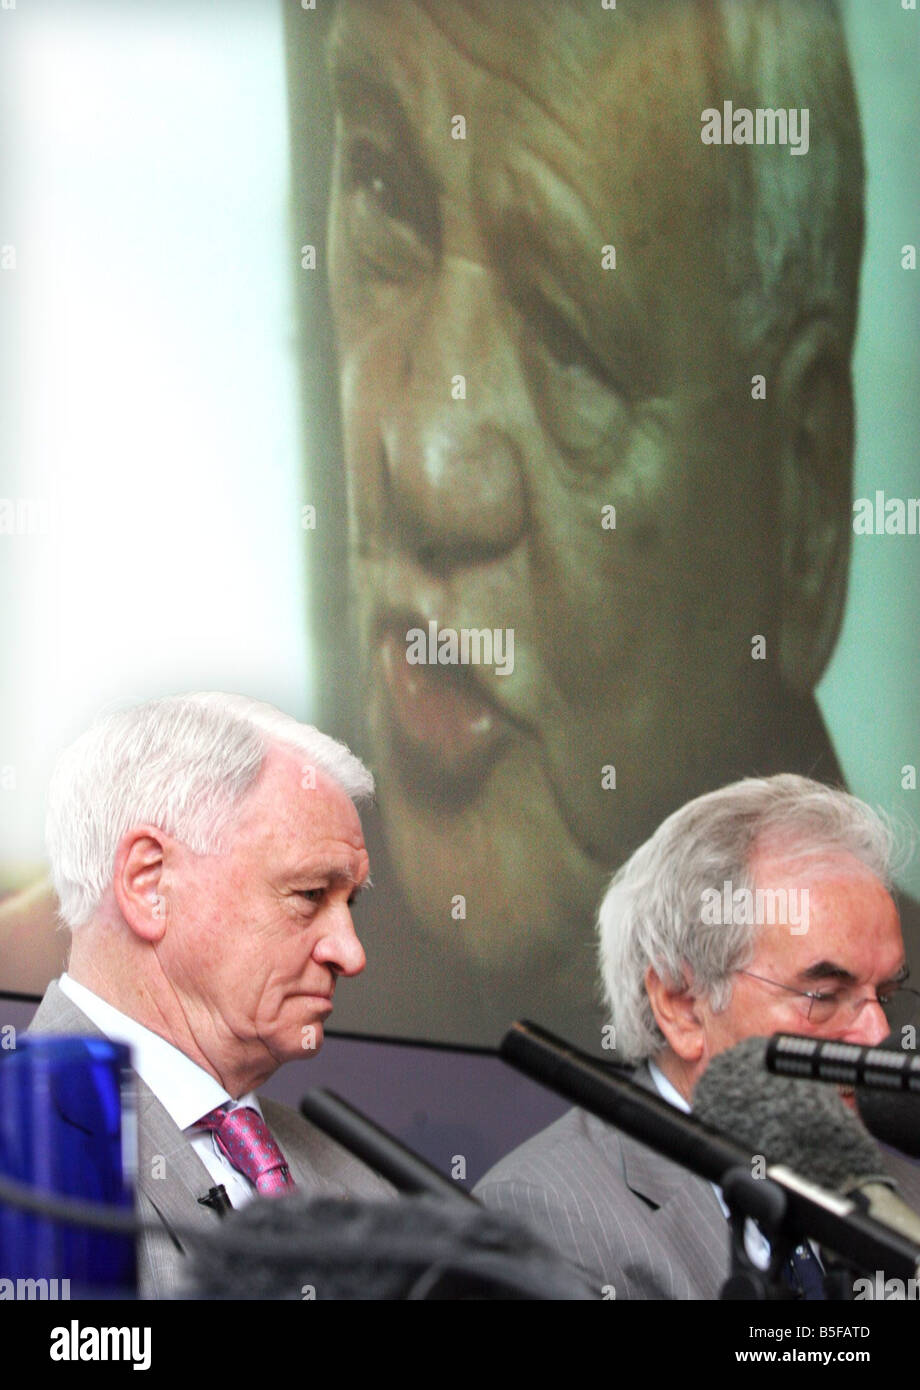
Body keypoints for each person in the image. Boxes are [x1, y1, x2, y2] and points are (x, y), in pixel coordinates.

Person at [311, 0, 915, 1047]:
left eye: (564, 334)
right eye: (387, 201)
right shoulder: (134, 995)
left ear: (804, 503)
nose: (422, 461)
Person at [474, 775, 920, 1298]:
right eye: (823, 996)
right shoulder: (546, 1212)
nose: (879, 1035)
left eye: (884, 996)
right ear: (682, 1007)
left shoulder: (902, 1197)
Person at [27, 692, 394, 1299]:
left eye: (348, 902)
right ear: (149, 885)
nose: (350, 954)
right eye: (308, 894)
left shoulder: (361, 1183)